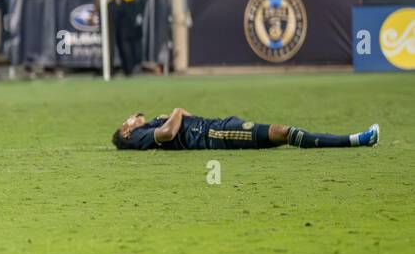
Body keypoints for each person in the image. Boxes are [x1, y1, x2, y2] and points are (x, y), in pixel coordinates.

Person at [113, 108, 379, 151]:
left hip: (216, 126)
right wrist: (177, 112)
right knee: (284, 132)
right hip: (215, 134)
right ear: (126, 131)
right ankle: (353, 140)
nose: (135, 117)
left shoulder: (146, 127)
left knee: (283, 133)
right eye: (130, 118)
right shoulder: (140, 135)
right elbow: (169, 133)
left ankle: (353, 139)